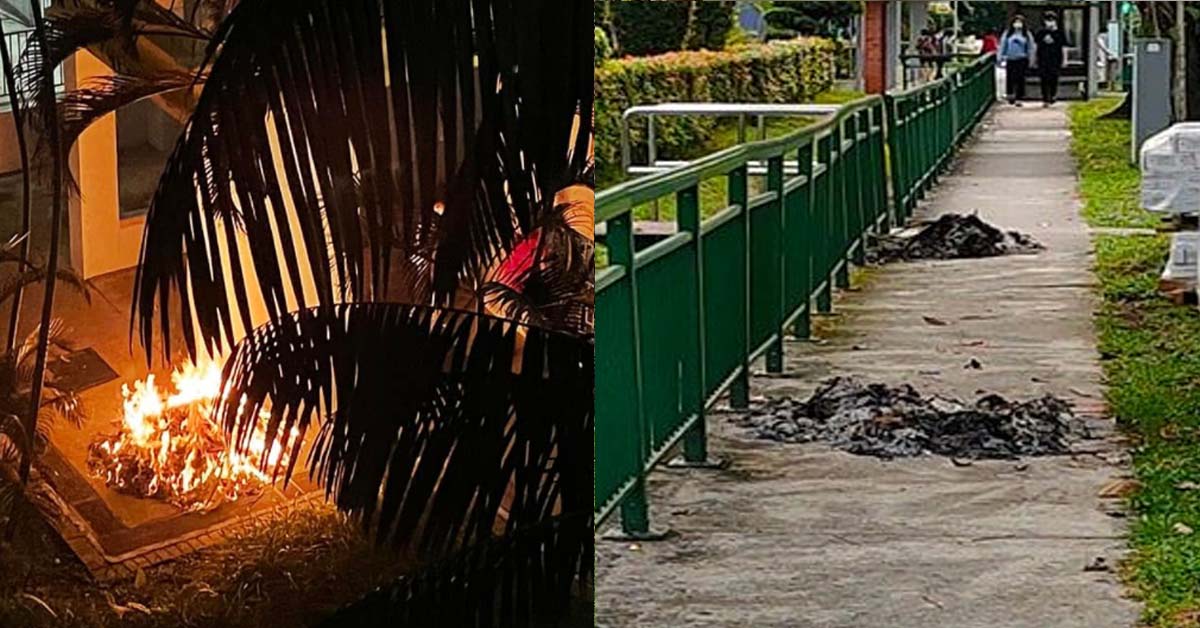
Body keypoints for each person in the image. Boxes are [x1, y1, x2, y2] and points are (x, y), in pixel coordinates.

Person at [1033, 11, 1069, 106]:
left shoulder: (1059, 33)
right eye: (1047, 20)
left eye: (1052, 20)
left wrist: (1065, 60)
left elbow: (1064, 47)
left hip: (1056, 59)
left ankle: (1053, 95)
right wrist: (1034, 59)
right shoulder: (1040, 33)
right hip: (1043, 59)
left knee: (1054, 78)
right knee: (1043, 79)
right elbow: (1035, 46)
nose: (1050, 22)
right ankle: (1045, 98)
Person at [999, 16, 1032, 106]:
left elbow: (1030, 47)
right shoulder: (1008, 34)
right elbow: (1003, 46)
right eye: (1016, 22)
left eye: (1020, 22)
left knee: (1020, 78)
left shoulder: (1026, 34)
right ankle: (1010, 95)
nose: (1017, 24)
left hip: (1021, 58)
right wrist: (1000, 57)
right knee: (1010, 77)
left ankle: (1019, 97)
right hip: (1010, 58)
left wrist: (1031, 58)